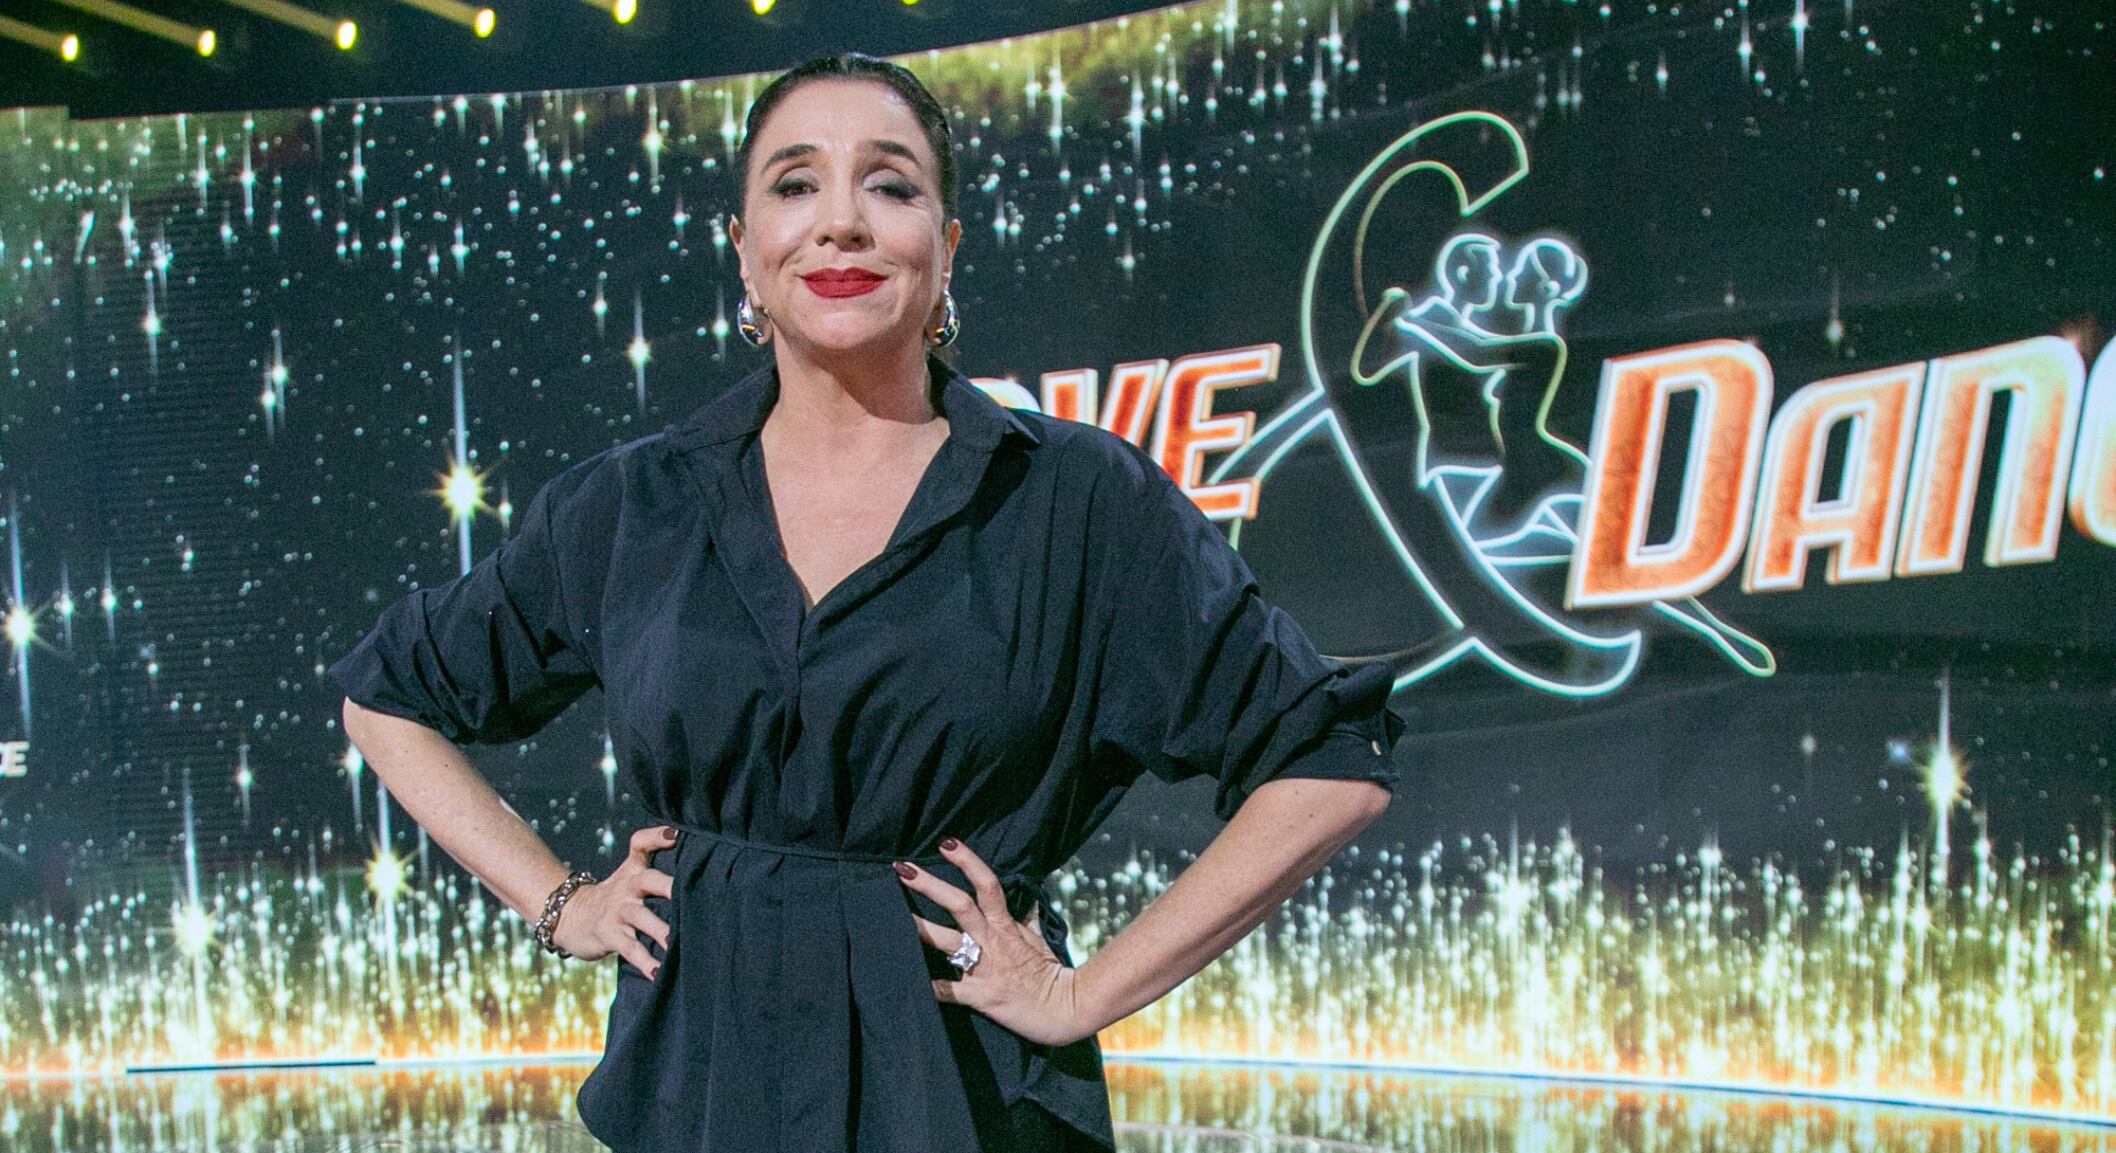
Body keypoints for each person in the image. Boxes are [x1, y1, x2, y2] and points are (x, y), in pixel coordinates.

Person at [330, 52, 1406, 1153]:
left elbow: (1328, 759)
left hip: (963, 1105)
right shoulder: (632, 503)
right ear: (744, 250)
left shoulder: (1079, 502)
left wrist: (1082, 994)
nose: (840, 222)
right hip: (701, 1101)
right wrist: (562, 903)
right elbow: (387, 697)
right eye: (796, 184)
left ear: (946, 249)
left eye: (889, 185)